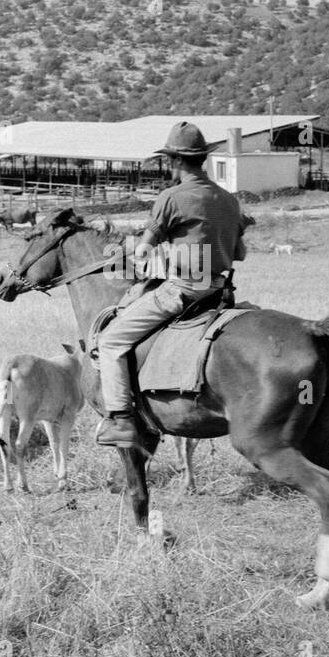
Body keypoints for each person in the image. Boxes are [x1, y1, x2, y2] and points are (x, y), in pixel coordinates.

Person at [96, 122, 251, 449]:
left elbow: (142, 252)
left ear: (177, 160)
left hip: (182, 289)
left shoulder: (171, 197)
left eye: (170, 160)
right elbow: (240, 253)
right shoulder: (228, 199)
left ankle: (122, 421)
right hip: (220, 292)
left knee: (111, 340)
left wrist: (133, 253)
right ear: (202, 159)